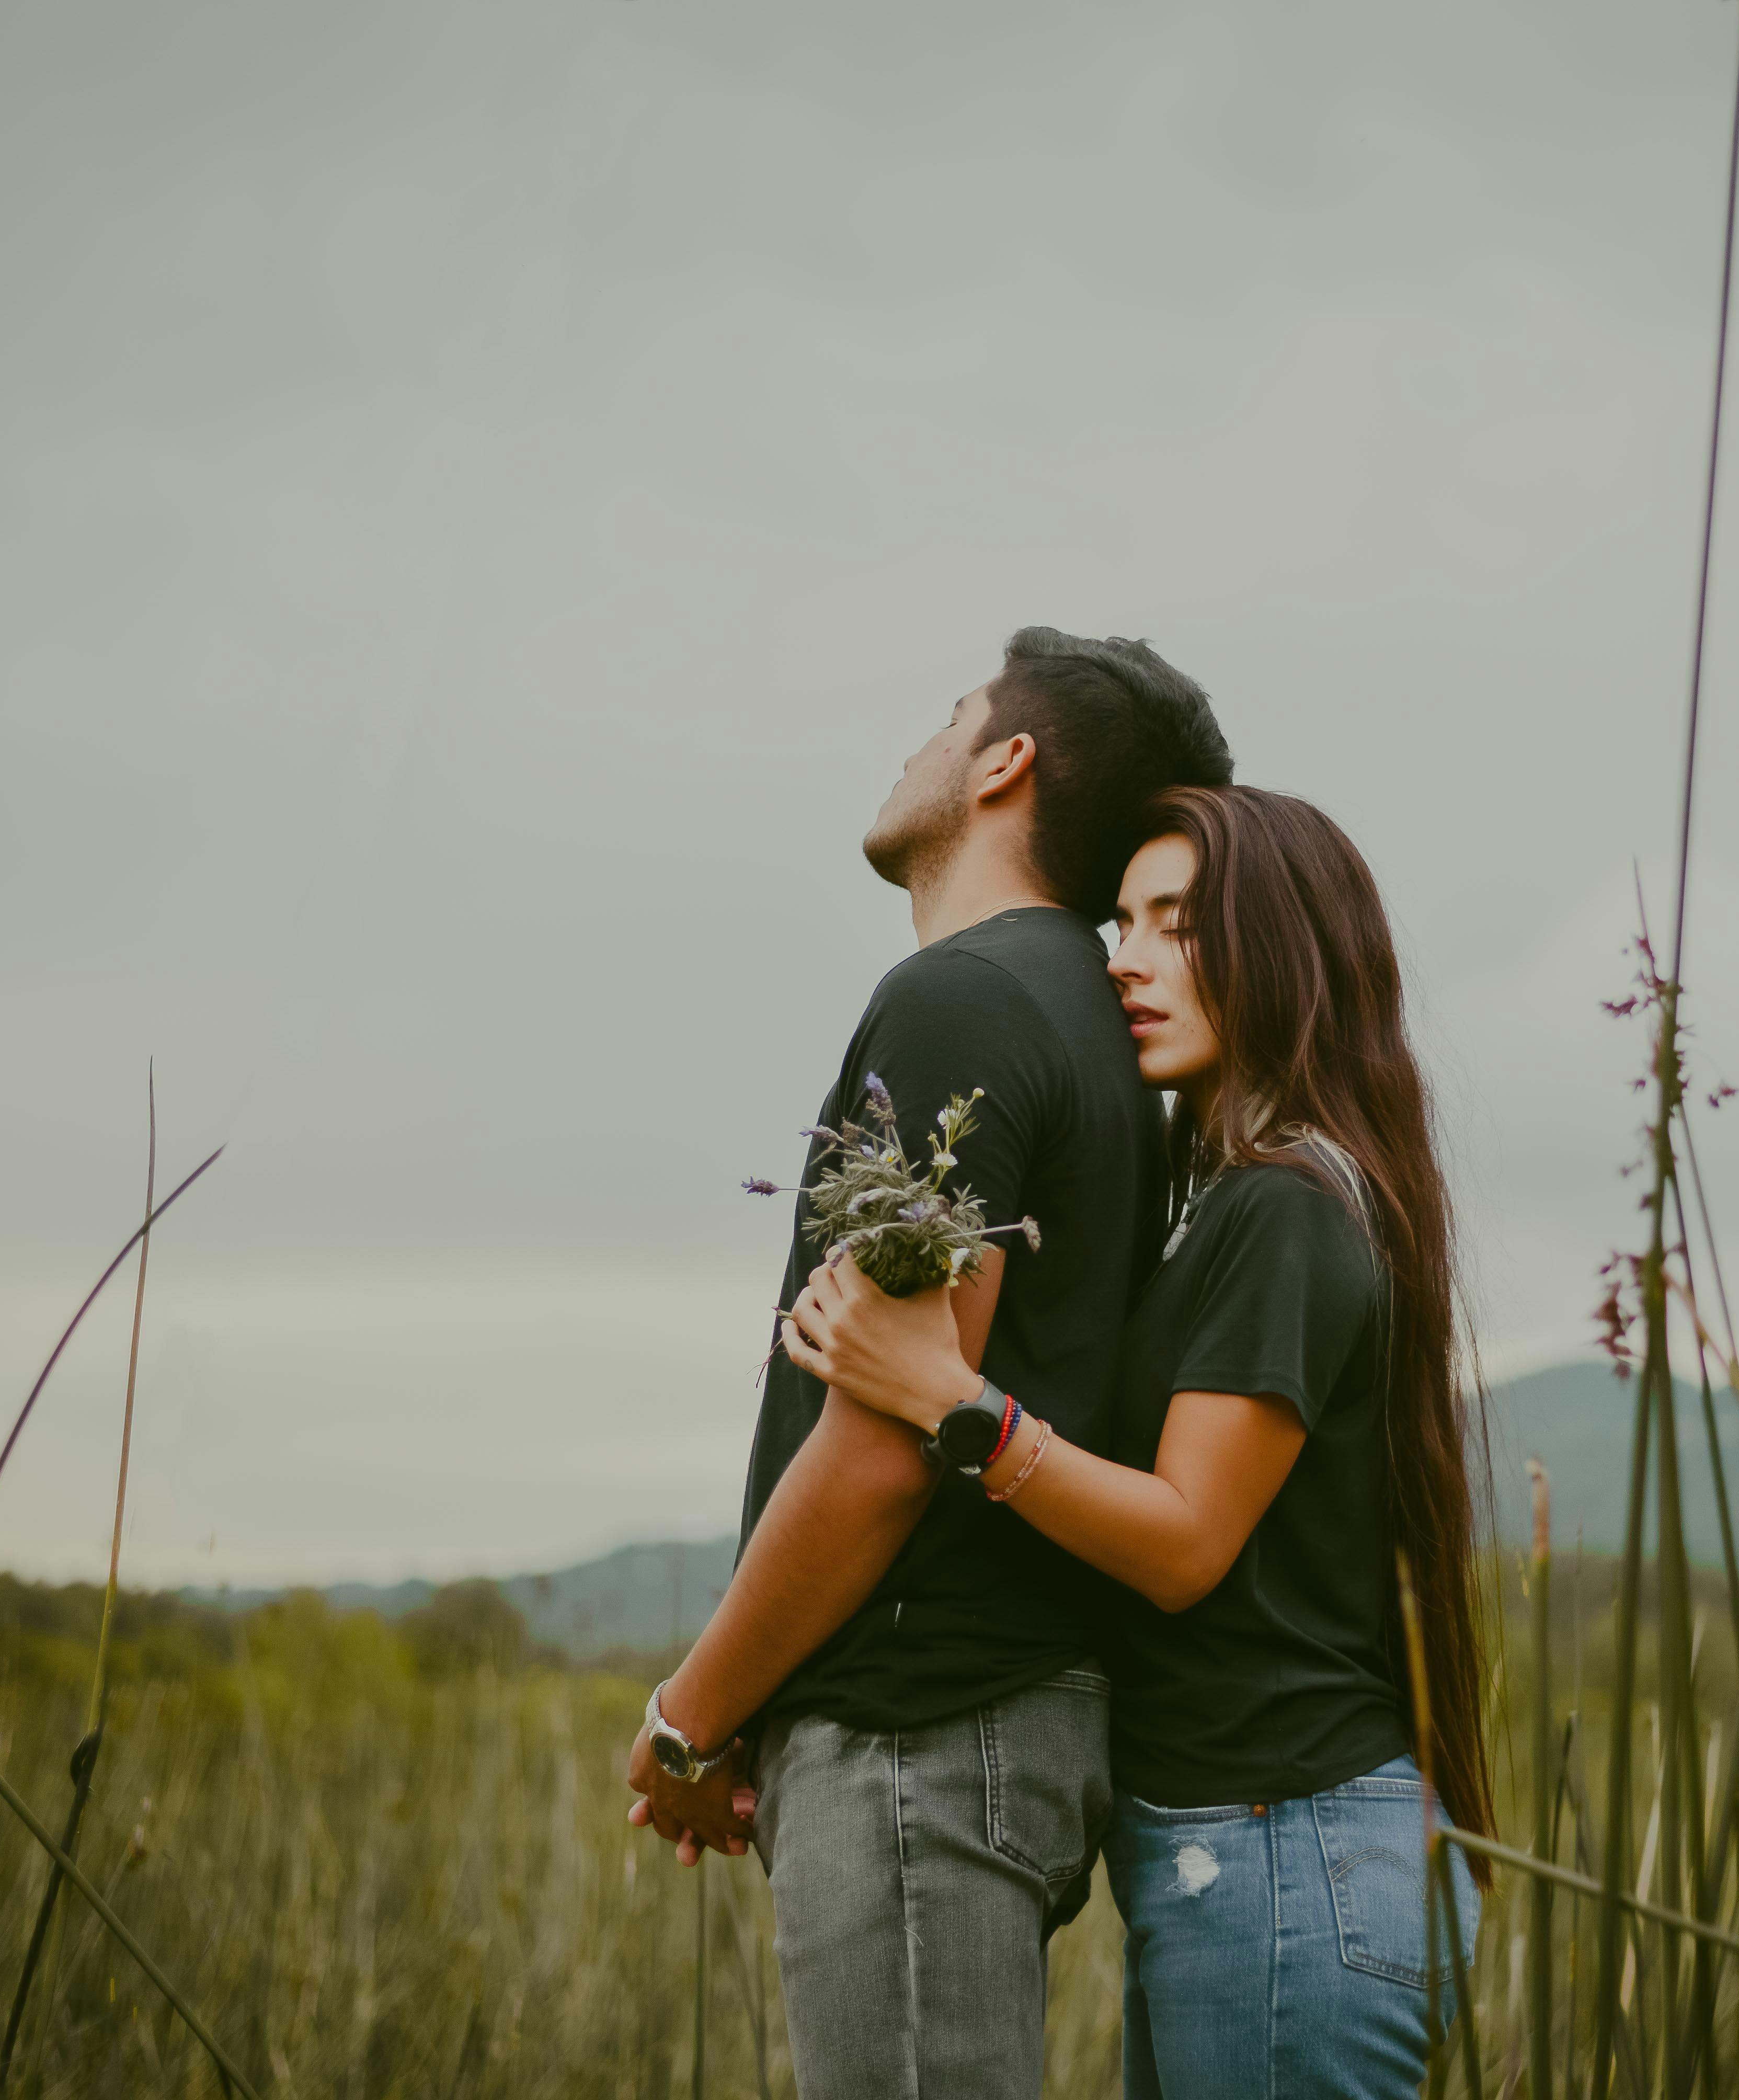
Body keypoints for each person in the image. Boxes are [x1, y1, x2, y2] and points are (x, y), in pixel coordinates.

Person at [781, 783, 1496, 2099]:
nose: (1125, 958)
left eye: (1178, 924)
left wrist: (953, 1401)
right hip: (1256, 1857)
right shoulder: (1237, 1198)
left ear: (1290, 949)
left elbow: (1182, 1542)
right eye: (1123, 922)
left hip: (1287, 1851)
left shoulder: (1286, 1206)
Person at [624, 628, 1232, 2099]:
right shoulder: (1094, 1028)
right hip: (977, 1733)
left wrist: (690, 1719)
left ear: (1004, 761)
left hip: (920, 1738)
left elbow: (893, 1433)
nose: (919, 743)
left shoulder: (963, 1000)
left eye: (949, 712)